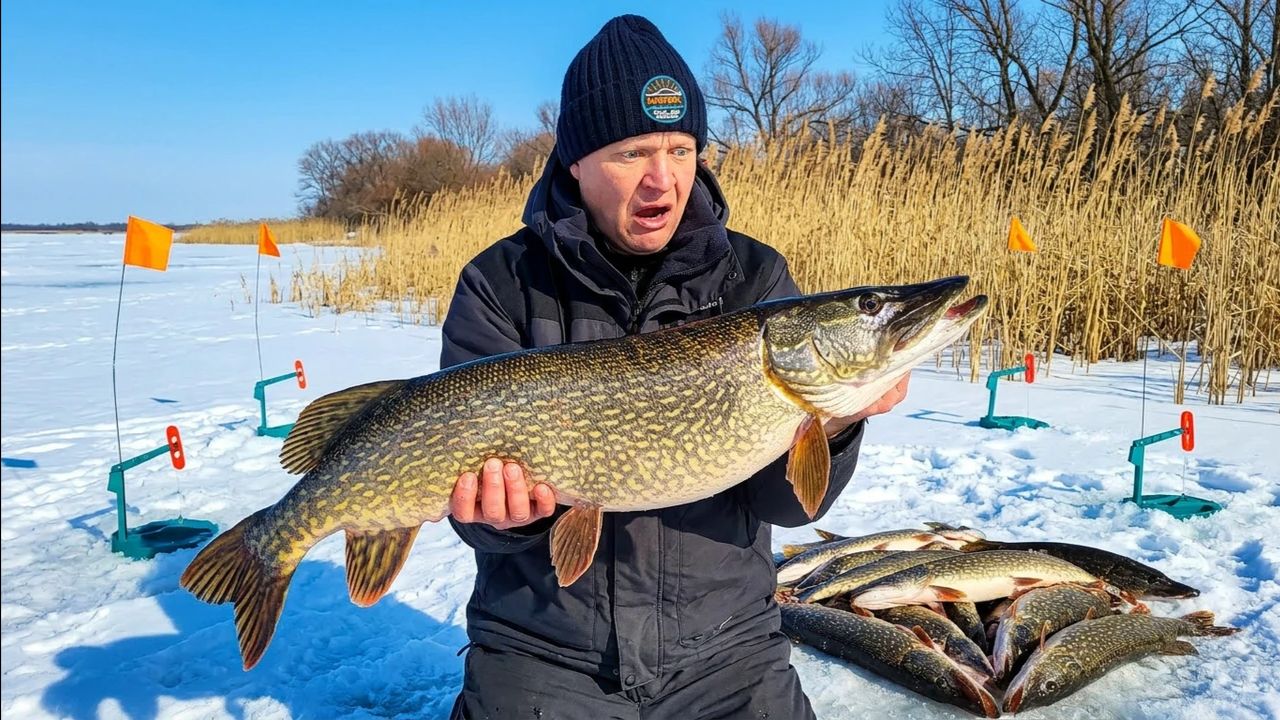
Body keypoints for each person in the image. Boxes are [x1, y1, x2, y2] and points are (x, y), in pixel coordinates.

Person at [441, 15, 908, 719]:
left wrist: (834, 425)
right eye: (632, 153)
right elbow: (469, 510)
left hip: (726, 649)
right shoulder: (500, 283)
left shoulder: (755, 277)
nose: (664, 179)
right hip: (542, 650)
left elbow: (788, 503)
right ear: (575, 160)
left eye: (682, 148)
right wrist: (505, 521)